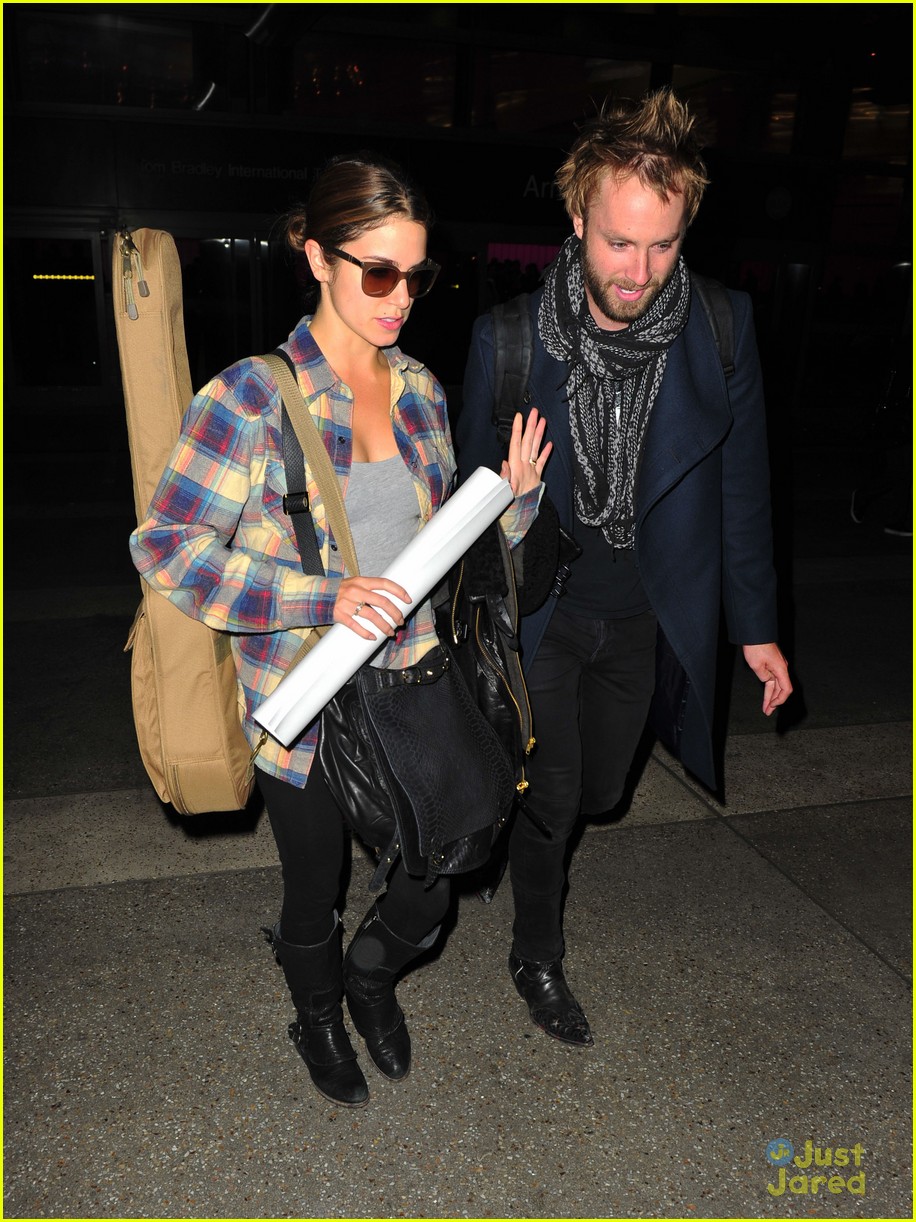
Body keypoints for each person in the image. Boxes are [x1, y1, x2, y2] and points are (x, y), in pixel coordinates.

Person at [130, 152, 549, 1107]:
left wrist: (508, 508)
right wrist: (319, 595)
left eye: (418, 273)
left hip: (411, 686)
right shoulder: (247, 400)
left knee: (430, 884)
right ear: (316, 258)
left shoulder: (423, 393)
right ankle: (317, 1010)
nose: (402, 297)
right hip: (306, 705)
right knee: (313, 884)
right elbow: (166, 549)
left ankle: (370, 977)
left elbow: (441, 558)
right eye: (378, 272)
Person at [457, 88, 793, 1049]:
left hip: (648, 610)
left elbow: (742, 488)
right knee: (555, 795)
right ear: (576, 220)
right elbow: (465, 510)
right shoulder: (510, 338)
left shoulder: (721, 330)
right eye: (617, 244)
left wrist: (757, 627)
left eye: (662, 246)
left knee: (604, 790)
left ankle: (542, 835)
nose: (639, 271)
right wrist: (509, 506)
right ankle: (537, 954)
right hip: (547, 612)